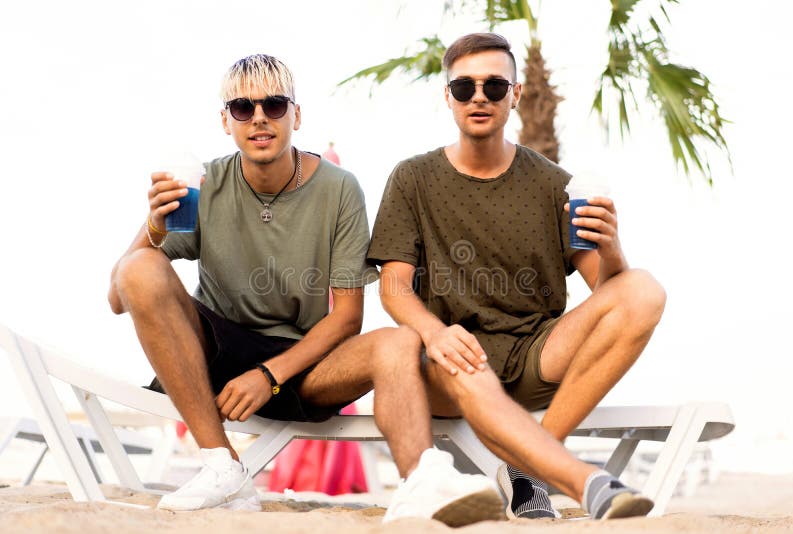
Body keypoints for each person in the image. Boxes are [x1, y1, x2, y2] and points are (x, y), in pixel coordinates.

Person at [107, 54, 505, 526]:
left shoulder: (339, 190)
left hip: (304, 363)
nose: (259, 117)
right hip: (214, 353)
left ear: (296, 115)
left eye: (274, 105)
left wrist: (269, 374)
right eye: (242, 108)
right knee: (139, 268)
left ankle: (421, 480)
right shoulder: (204, 183)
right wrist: (153, 224)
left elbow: (347, 318)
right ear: (225, 121)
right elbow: (119, 296)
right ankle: (221, 464)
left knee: (399, 340)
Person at [366, 33, 667, 520]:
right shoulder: (413, 178)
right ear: (448, 97)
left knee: (644, 289)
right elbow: (393, 286)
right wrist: (434, 333)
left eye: (494, 86)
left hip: (536, 356)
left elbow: (611, 293)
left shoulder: (554, 184)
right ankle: (558, 472)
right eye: (464, 88)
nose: (479, 97)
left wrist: (612, 247)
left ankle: (531, 463)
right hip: (451, 358)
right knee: (459, 356)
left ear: (516, 94)